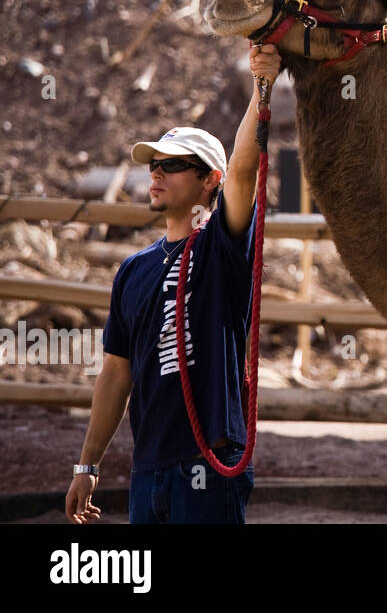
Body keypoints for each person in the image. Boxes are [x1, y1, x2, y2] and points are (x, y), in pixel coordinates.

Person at [65, 43, 282, 524]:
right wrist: (88, 464)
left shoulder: (221, 247)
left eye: (174, 164)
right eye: (154, 165)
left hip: (208, 462)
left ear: (210, 180)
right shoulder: (132, 270)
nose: (157, 174)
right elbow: (115, 375)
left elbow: (245, 169)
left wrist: (261, 85)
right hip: (148, 469)